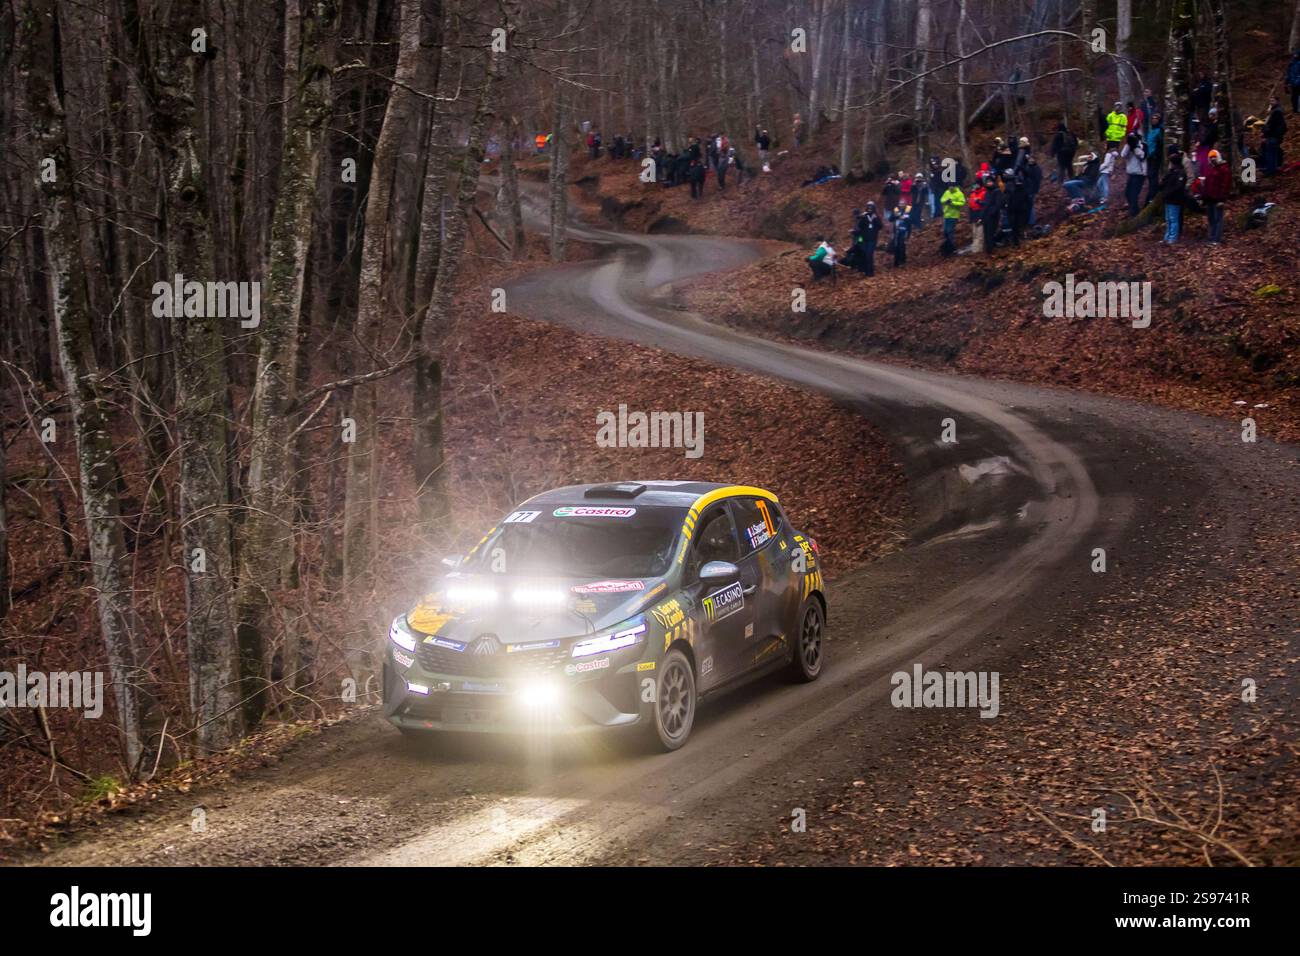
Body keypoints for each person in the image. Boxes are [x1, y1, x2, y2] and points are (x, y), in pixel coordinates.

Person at [1200, 149, 1231, 244]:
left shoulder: (1224, 168)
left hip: (1218, 198)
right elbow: (1207, 184)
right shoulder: (1210, 169)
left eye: (1214, 157)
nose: (1213, 159)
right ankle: (1211, 237)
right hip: (1209, 199)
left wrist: (1222, 199)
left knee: (1218, 219)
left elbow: (1226, 185)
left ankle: (1216, 239)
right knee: (1211, 219)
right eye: (1211, 157)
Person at [1159, 151, 1188, 244]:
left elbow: (1179, 187)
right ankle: (1167, 237)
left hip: (1175, 199)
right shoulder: (1170, 173)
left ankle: (1173, 237)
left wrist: (1168, 192)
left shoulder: (1181, 173)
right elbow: (1163, 183)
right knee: (1168, 219)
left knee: (1173, 218)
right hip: (1168, 199)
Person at [1121, 132, 1147, 217]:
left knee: (1134, 193)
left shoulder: (1143, 145)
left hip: (1139, 173)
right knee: (1127, 193)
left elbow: (1142, 156)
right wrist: (1128, 145)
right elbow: (1123, 155)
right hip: (1131, 173)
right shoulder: (1128, 146)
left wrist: (1135, 147)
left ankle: (1134, 213)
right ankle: (1134, 210)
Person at [1261, 97, 1287, 176]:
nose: (1271, 102)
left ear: (1277, 101)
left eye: (1273, 101)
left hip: (1273, 136)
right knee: (1274, 153)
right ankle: (1273, 169)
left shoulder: (1276, 112)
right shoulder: (1276, 110)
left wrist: (1264, 132)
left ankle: (1270, 171)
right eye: (1270, 101)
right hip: (1275, 136)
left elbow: (1271, 125)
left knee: (1270, 154)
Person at [856, 203, 883, 276]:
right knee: (864, 254)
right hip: (864, 239)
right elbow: (859, 226)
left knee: (869, 254)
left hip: (872, 239)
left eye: (871, 208)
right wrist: (862, 217)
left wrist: (875, 219)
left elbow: (880, 227)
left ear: (874, 209)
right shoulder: (865, 216)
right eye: (868, 208)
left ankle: (870, 272)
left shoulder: (876, 216)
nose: (870, 209)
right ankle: (865, 270)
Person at [1144, 113, 1165, 207]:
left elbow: (1161, 143)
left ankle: (1153, 195)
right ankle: (1151, 193)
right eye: (1153, 118)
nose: (1154, 120)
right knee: (1150, 175)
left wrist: (1157, 153)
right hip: (1149, 156)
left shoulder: (1159, 130)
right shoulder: (1150, 130)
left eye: (1156, 119)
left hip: (1155, 156)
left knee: (1153, 175)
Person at [982, 175, 1004, 253]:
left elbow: (998, 204)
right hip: (986, 215)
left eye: (990, 182)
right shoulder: (986, 192)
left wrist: (992, 212)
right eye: (988, 182)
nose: (989, 183)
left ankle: (991, 249)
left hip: (993, 216)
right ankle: (988, 249)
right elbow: (986, 204)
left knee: (990, 232)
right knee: (986, 233)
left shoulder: (997, 191)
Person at [940, 181, 966, 250]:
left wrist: (952, 202)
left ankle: (952, 246)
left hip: (954, 215)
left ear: (955, 186)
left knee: (950, 231)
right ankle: (948, 245)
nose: (950, 188)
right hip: (946, 214)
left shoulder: (959, 193)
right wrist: (946, 201)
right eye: (949, 186)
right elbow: (942, 200)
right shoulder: (947, 192)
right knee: (945, 231)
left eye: (952, 186)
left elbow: (962, 203)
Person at [1007, 174, 1030, 246]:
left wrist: (1026, 210)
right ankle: (1016, 243)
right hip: (1014, 213)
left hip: (1022, 212)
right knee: (1015, 228)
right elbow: (1010, 202)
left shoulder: (1025, 191)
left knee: (1021, 227)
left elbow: (1028, 202)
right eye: (1017, 182)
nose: (1018, 183)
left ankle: (1022, 241)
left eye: (1019, 182)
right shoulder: (1012, 191)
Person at [1024, 154, 1042, 225]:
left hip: (1031, 190)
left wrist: (1034, 190)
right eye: (1030, 159)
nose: (1031, 160)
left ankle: (1031, 222)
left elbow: (1037, 181)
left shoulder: (1036, 168)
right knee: (1027, 205)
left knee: (1030, 205)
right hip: (1026, 189)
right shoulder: (1028, 167)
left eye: (1032, 159)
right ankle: (1028, 220)